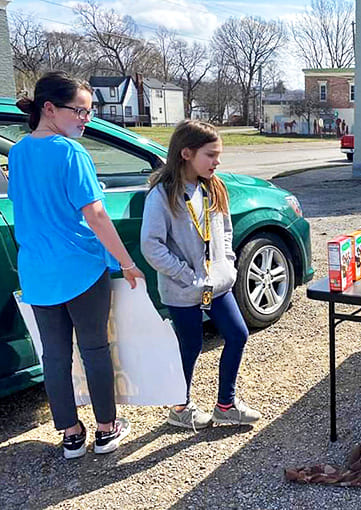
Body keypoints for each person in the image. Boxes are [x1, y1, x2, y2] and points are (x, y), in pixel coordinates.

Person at [8, 71, 143, 459]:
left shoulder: (16, 152)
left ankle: (70, 435)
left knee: (54, 356)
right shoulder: (71, 152)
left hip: (37, 269)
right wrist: (127, 262)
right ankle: (105, 429)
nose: (87, 118)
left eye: (90, 111)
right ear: (49, 109)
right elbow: (97, 215)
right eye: (79, 111)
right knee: (95, 349)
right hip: (80, 266)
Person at [140, 120, 261, 430]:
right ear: (186, 153)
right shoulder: (161, 195)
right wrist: (186, 275)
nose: (217, 162)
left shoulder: (214, 186)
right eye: (211, 155)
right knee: (190, 346)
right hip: (183, 289)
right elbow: (151, 247)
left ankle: (226, 405)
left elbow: (225, 231)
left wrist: (228, 265)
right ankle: (180, 408)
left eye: (218, 155)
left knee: (237, 334)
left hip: (218, 284)